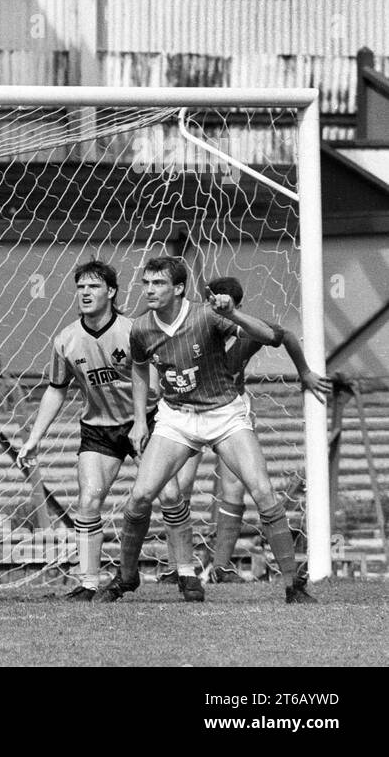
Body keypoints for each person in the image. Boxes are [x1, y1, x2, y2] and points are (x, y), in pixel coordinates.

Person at [97, 256, 317, 604]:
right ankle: (126, 576)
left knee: (262, 491)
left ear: (179, 288)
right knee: (140, 497)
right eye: (147, 283)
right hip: (177, 418)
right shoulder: (141, 328)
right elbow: (139, 369)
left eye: (159, 284)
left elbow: (269, 335)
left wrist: (232, 313)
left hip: (224, 413)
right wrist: (140, 419)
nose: (150, 290)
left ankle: (293, 585)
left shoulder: (208, 314)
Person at [154, 276, 330, 583]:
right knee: (176, 487)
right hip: (188, 413)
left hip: (229, 415)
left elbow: (285, 335)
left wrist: (304, 373)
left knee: (235, 488)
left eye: (225, 305)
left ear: (236, 306)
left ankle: (221, 567)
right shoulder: (189, 326)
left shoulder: (246, 333)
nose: (218, 309)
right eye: (213, 303)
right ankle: (177, 568)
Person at [17, 261, 165, 601]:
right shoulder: (66, 340)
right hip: (99, 429)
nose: (85, 293)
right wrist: (33, 439)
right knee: (88, 501)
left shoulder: (133, 332)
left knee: (168, 496)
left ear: (111, 292)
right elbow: (56, 389)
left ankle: (185, 573)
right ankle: (88, 582)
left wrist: (148, 405)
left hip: (146, 422)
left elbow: (154, 382)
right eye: (81, 287)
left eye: (93, 287)